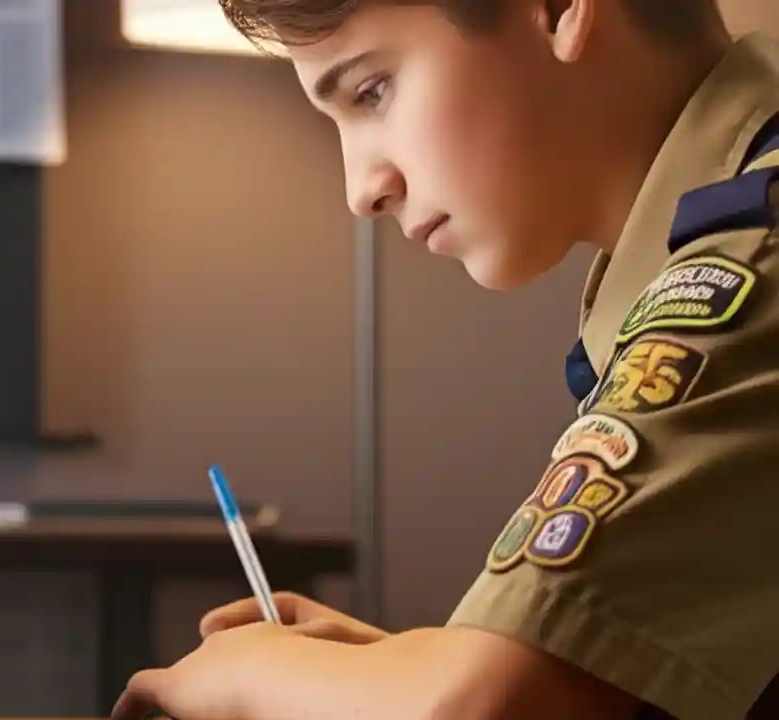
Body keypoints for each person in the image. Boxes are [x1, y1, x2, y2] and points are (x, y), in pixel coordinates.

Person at [110, 1, 779, 719]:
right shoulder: (698, 246)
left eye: (373, 91)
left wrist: (241, 679)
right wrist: (412, 670)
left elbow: (478, 711)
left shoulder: (750, 267)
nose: (362, 190)